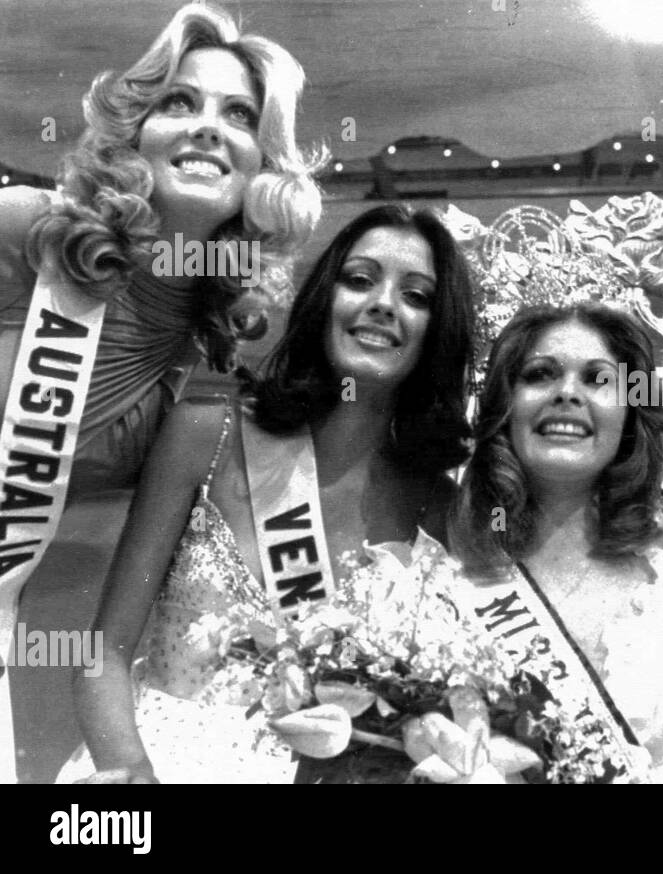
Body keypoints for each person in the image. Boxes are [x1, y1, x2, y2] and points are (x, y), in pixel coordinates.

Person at [0, 2, 322, 781]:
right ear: (133, 133)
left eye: (238, 115)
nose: (208, 127)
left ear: (260, 166)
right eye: (180, 102)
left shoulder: (220, 337)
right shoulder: (26, 235)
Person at [66, 204, 475, 783]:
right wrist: (132, 775)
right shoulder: (207, 434)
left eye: (417, 295)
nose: (383, 303)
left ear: (439, 330)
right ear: (322, 301)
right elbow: (101, 655)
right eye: (359, 280)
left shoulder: (438, 505)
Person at [445, 302, 663, 783]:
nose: (567, 393)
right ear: (505, 405)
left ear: (630, 412)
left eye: (598, 380)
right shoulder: (444, 582)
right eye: (540, 374)